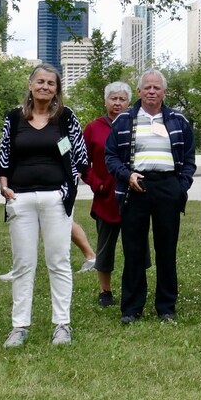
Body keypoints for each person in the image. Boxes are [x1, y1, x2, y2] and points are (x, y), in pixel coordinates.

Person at [0, 64, 89, 347]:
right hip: (21, 198)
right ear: (30, 84)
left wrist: (71, 184)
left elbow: (80, 155)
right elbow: (4, 155)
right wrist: (4, 186)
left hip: (56, 198)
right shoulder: (14, 118)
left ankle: (62, 325)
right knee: (23, 263)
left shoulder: (65, 118)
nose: (45, 87)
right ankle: (19, 327)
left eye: (51, 83)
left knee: (58, 261)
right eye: (40, 81)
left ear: (56, 89)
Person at [104, 69, 196, 324]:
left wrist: (181, 186)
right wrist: (127, 175)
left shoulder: (178, 120)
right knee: (133, 249)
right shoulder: (124, 120)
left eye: (157, 88)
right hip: (136, 186)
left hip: (168, 186)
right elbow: (110, 156)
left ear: (164, 92)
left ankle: (166, 308)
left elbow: (189, 157)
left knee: (166, 249)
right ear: (140, 91)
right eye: (147, 87)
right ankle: (131, 309)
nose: (152, 91)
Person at [83, 81, 130, 308]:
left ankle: (134, 287)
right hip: (106, 198)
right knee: (105, 247)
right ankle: (105, 291)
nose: (118, 103)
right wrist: (96, 184)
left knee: (136, 246)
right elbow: (82, 162)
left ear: (129, 102)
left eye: (122, 99)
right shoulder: (94, 128)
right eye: (114, 99)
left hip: (133, 196)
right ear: (106, 101)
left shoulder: (136, 124)